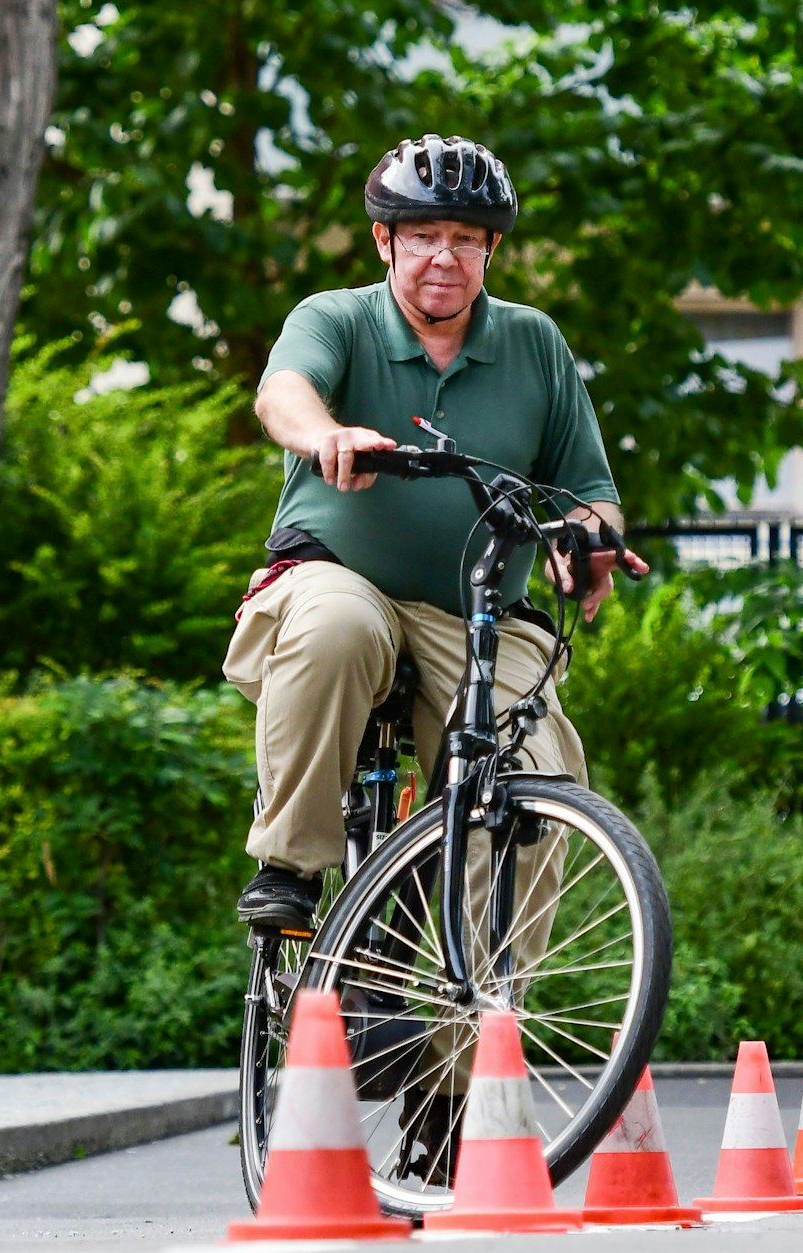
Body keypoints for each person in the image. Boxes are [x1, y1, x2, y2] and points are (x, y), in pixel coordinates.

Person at [224, 133, 646, 931]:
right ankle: (291, 863)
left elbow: (591, 493)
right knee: (335, 626)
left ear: (490, 251)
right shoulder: (337, 319)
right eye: (422, 236)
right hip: (343, 577)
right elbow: (283, 392)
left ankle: (481, 1030)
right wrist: (325, 436)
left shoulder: (534, 344)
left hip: (480, 611)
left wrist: (585, 538)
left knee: (531, 779)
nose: (443, 258)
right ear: (385, 241)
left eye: (464, 239)